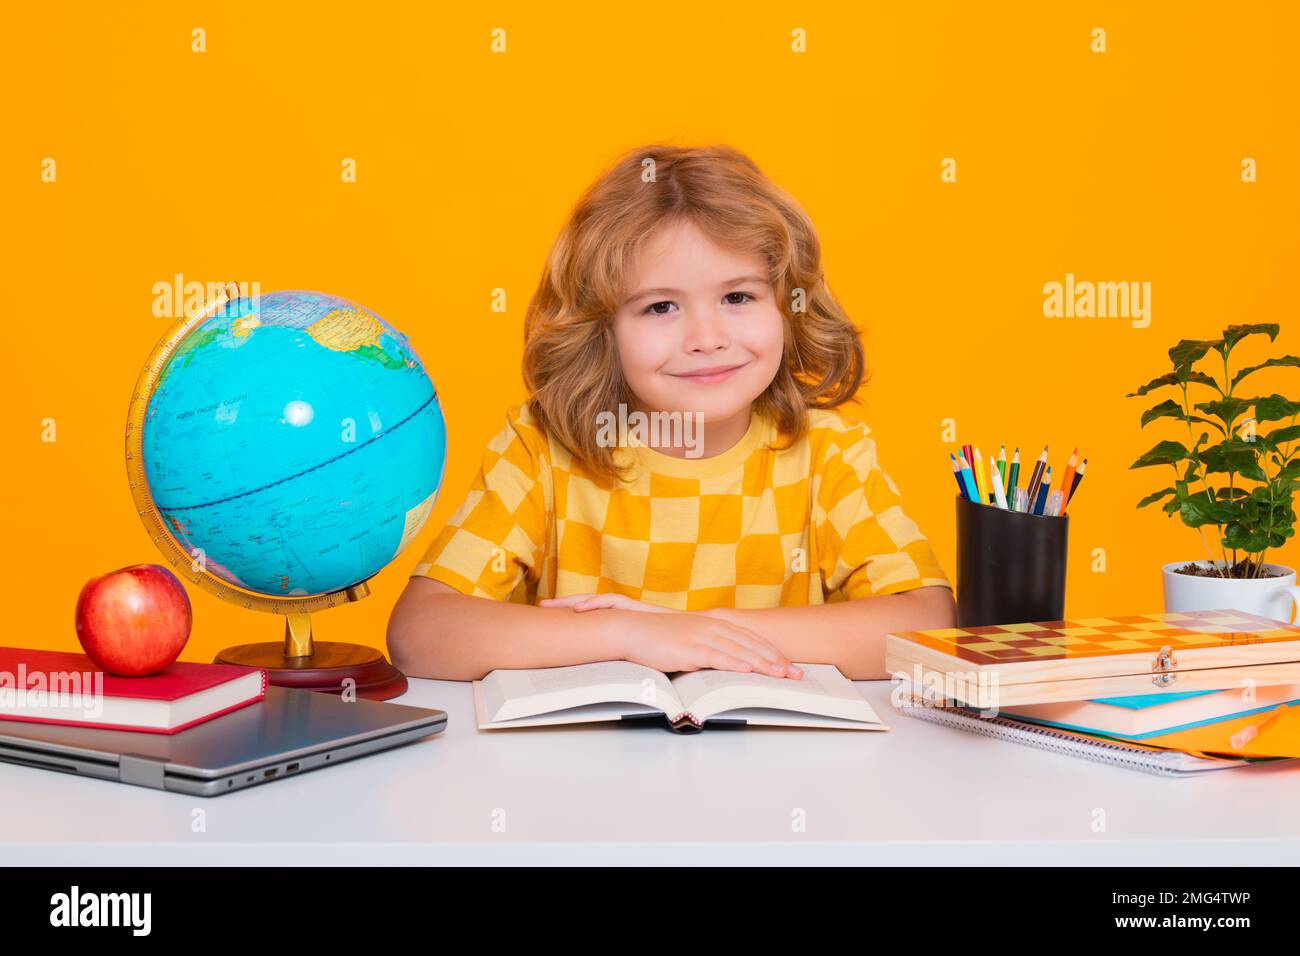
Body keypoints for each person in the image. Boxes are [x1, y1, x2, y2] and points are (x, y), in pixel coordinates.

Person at [388, 144, 955, 682]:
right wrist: (626, 633)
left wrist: (691, 635)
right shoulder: (541, 449)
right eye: (660, 306)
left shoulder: (829, 454)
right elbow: (421, 631)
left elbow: (925, 621)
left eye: (738, 297)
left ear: (787, 306)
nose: (707, 338)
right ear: (602, 330)